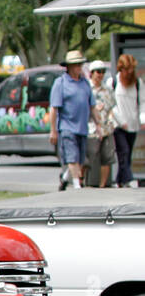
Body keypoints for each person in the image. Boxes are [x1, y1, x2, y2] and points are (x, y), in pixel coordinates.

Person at [49, 49, 93, 190]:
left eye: (80, 64)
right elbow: (54, 109)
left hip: (82, 127)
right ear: (68, 67)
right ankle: (76, 185)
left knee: (79, 160)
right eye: (76, 65)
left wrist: (98, 124)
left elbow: (92, 106)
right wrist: (53, 131)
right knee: (72, 157)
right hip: (67, 127)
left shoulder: (85, 83)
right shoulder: (60, 83)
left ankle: (65, 178)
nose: (79, 67)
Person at [112, 53, 142, 187]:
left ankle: (120, 180)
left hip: (133, 123)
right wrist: (120, 121)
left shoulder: (137, 83)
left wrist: (142, 118)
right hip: (119, 125)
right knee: (123, 151)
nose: (130, 73)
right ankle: (127, 179)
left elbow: (142, 102)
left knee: (128, 152)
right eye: (127, 69)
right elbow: (111, 104)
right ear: (121, 69)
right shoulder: (113, 82)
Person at [86, 60, 117, 187]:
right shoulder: (87, 89)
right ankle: (84, 183)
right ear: (92, 73)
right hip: (91, 128)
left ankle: (102, 185)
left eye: (103, 72)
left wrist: (112, 122)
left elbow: (112, 108)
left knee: (107, 157)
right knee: (90, 157)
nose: (100, 75)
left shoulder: (108, 90)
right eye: (98, 72)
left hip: (106, 128)